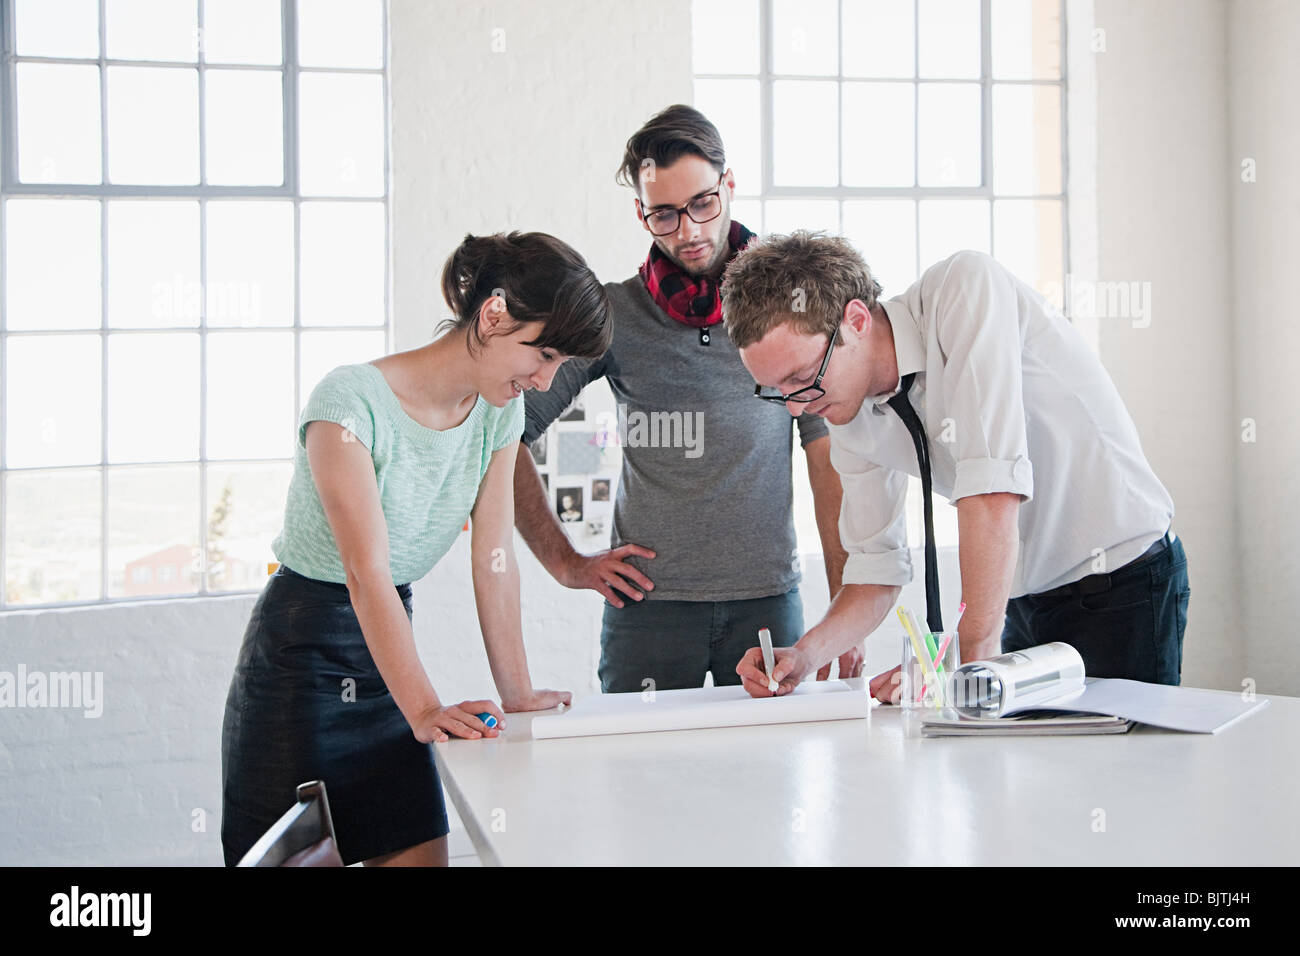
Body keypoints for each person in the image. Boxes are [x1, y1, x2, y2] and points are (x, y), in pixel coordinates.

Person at [221, 231, 612, 867]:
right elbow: (364, 570)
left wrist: (516, 693)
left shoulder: (496, 415)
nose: (544, 381)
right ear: (493, 313)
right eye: (540, 354)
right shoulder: (347, 402)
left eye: (558, 365)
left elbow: (494, 558)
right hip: (302, 665)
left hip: (388, 658)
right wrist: (425, 708)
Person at [722, 231, 1189, 700]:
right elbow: (875, 569)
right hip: (1018, 599)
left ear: (856, 320)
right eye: (778, 391)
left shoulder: (965, 290)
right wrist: (804, 656)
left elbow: (991, 491)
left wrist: (959, 676)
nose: (797, 409)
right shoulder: (845, 406)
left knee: (1126, 767)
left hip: (1121, 578)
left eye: (802, 379)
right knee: (1033, 769)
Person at [513, 105, 860, 693]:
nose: (690, 232)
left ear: (729, 184)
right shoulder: (614, 313)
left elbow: (826, 462)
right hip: (648, 611)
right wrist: (565, 563)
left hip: (767, 604)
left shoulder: (789, 311)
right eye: (665, 215)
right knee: (643, 779)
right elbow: (505, 433)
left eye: (703, 204)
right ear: (641, 213)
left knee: (765, 778)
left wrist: (843, 613)